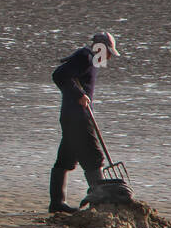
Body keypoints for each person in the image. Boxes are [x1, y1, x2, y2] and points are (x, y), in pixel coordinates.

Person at [49, 31, 120, 213]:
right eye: (109, 52)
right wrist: (79, 94)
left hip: (71, 116)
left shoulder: (89, 59)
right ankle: (100, 202)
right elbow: (59, 75)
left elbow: (68, 77)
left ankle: (57, 204)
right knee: (94, 158)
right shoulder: (85, 57)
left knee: (65, 159)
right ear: (100, 48)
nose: (110, 57)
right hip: (78, 118)